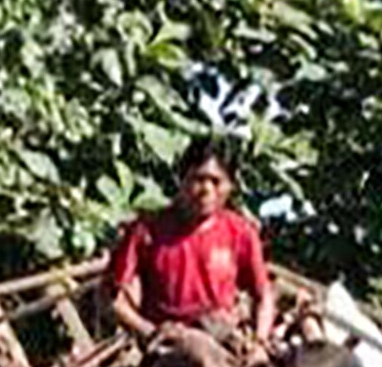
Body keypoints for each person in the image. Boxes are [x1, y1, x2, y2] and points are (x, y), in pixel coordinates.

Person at [106, 138, 278, 350]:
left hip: (222, 342)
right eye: (198, 179)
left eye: (216, 181)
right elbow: (115, 300)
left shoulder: (241, 232)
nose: (206, 189)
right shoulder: (147, 230)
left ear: (230, 186)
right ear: (182, 179)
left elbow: (263, 297)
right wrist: (150, 332)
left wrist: (259, 342)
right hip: (166, 346)